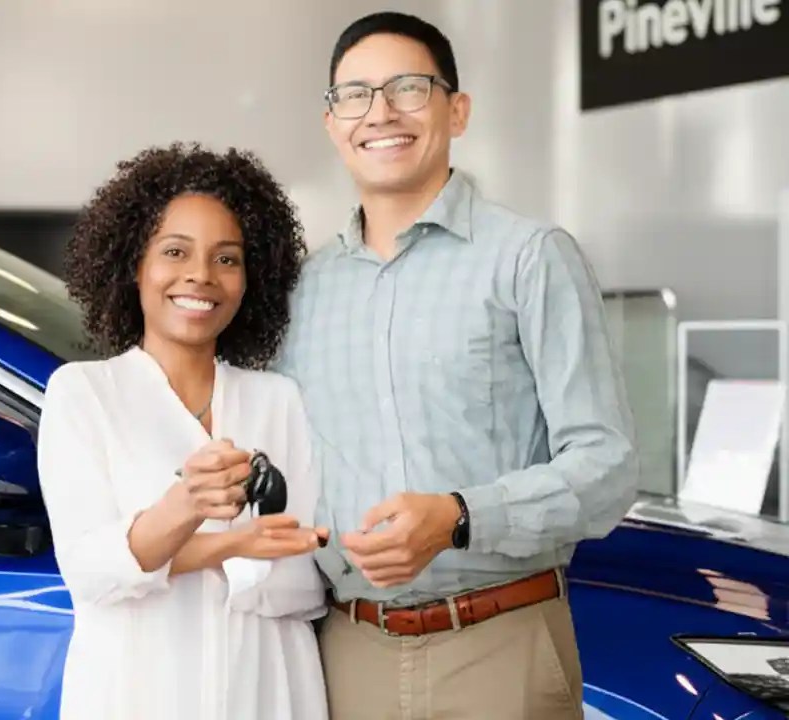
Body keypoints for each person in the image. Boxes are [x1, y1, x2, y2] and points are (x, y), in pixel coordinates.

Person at [274, 11, 640, 720]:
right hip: (345, 652)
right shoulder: (303, 289)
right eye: (354, 95)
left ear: (457, 109)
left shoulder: (530, 258)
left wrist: (460, 517)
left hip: (499, 644)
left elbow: (608, 465)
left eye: (408, 87)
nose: (380, 113)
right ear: (331, 122)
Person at [37, 142, 330, 720]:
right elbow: (92, 573)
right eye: (175, 251)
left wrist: (171, 551)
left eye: (227, 259)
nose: (201, 275)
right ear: (135, 266)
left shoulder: (280, 400)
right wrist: (217, 531)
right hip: (136, 694)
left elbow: (301, 583)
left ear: (252, 279)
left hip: (267, 692)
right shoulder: (84, 394)